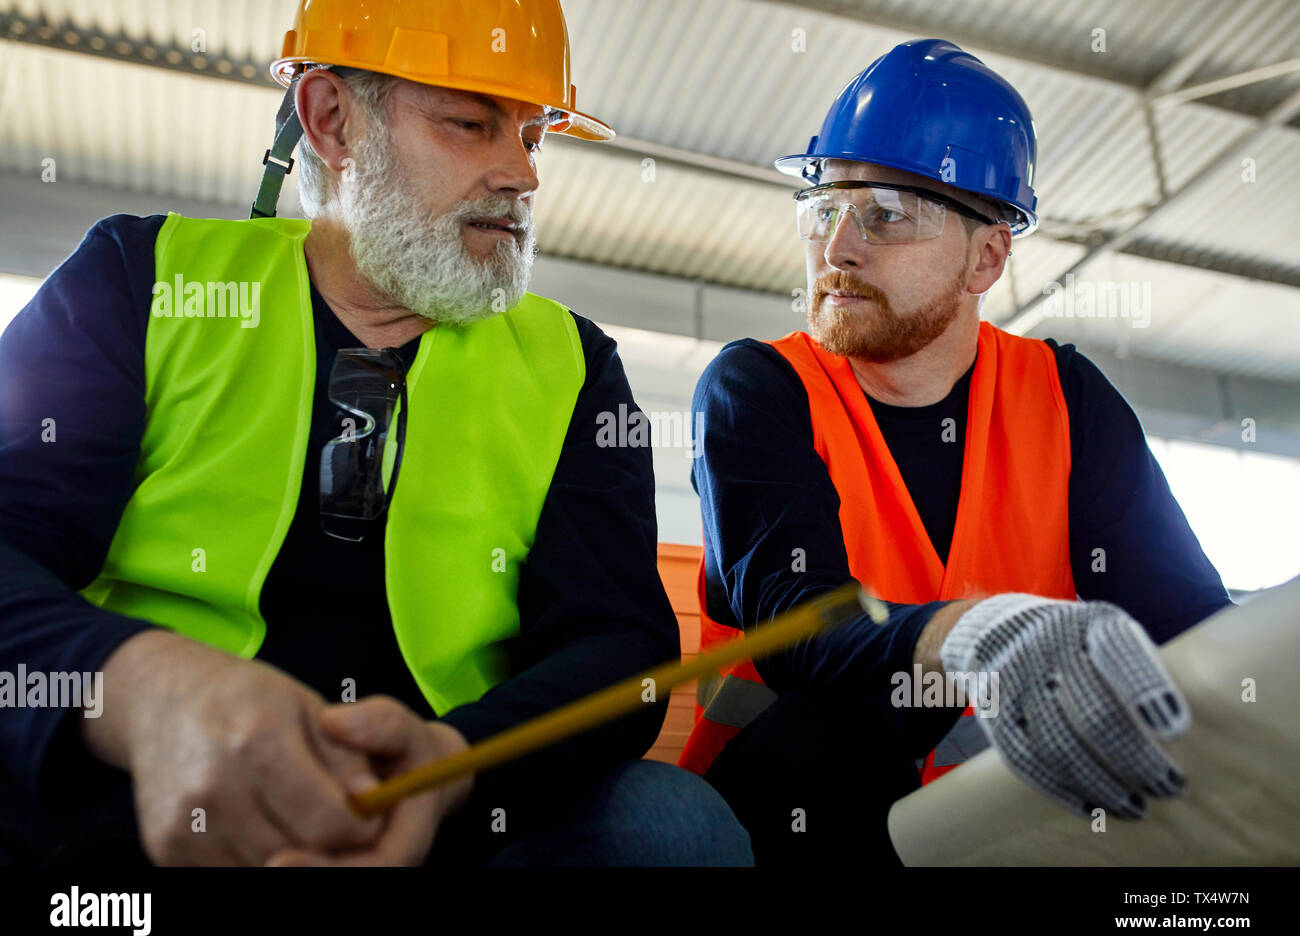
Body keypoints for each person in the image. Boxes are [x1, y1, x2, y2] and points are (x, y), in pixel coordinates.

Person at [0, 0, 752, 867]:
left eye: (533, 135)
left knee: (669, 826)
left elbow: (620, 647)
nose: (523, 174)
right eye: (470, 122)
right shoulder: (143, 278)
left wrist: (456, 764)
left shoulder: (572, 364)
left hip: (453, 819)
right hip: (142, 797)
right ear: (331, 120)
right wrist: (140, 688)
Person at [676, 38, 1231, 865]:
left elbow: (1188, 630)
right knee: (836, 727)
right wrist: (973, 634)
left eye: (886, 214)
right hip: (784, 817)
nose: (837, 249)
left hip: (1008, 822)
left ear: (988, 257)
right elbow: (799, 629)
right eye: (825, 207)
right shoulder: (760, 390)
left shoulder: (1068, 402)